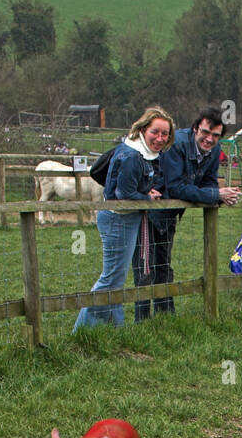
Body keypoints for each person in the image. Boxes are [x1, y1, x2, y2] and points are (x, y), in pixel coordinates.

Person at [132, 106, 241, 322]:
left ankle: (166, 317)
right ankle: (141, 321)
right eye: (205, 132)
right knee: (145, 267)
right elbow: (176, 187)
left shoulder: (213, 152)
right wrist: (216, 194)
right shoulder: (178, 145)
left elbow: (209, 180)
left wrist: (216, 194)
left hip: (170, 214)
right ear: (195, 129)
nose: (209, 139)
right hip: (150, 210)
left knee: (163, 265)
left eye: (216, 135)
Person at [73, 106, 174, 332]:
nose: (160, 138)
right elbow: (124, 194)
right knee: (110, 279)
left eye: (165, 134)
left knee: (116, 279)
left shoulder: (140, 153)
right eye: (155, 132)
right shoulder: (131, 156)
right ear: (143, 130)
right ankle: (81, 330)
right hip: (118, 219)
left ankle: (114, 328)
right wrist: (147, 197)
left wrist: (146, 194)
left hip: (125, 219)